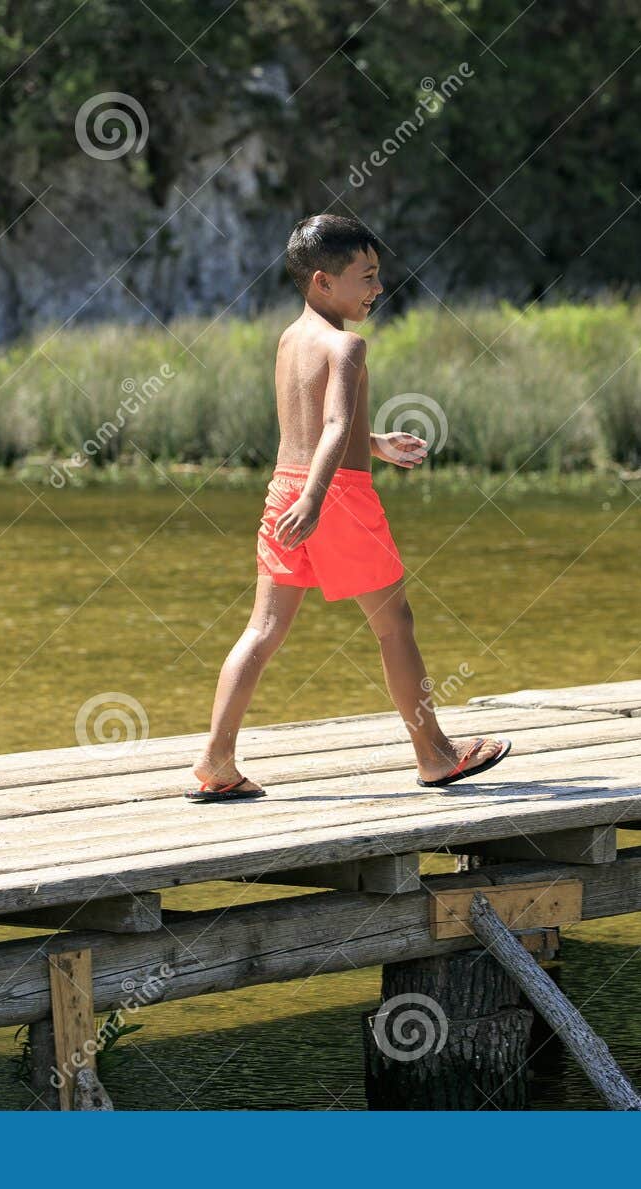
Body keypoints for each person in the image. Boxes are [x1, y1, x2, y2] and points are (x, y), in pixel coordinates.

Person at [186, 214, 511, 801]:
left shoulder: (289, 340)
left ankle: (216, 759)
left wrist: (375, 444)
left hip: (285, 487)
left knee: (262, 629)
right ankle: (435, 755)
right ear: (322, 281)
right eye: (365, 276)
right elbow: (333, 422)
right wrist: (318, 497)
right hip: (332, 498)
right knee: (395, 626)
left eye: (377, 275)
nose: (377, 288)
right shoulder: (347, 344)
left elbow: (308, 424)